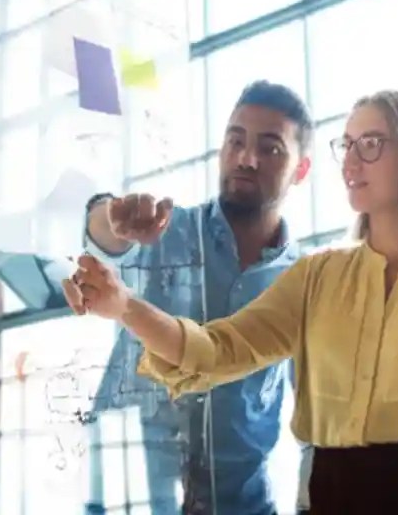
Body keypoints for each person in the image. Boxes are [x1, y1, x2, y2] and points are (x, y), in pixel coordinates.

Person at [66, 90, 398, 515]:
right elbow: (216, 351)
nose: (351, 161)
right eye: (346, 145)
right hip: (325, 496)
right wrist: (125, 306)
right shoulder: (314, 277)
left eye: (371, 144)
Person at [80, 80, 313, 515]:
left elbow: (316, 422)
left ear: (301, 170)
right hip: (132, 497)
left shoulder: (307, 281)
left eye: (271, 148)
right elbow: (101, 240)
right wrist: (111, 215)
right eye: (235, 141)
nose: (246, 158)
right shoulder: (165, 231)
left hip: (243, 503)